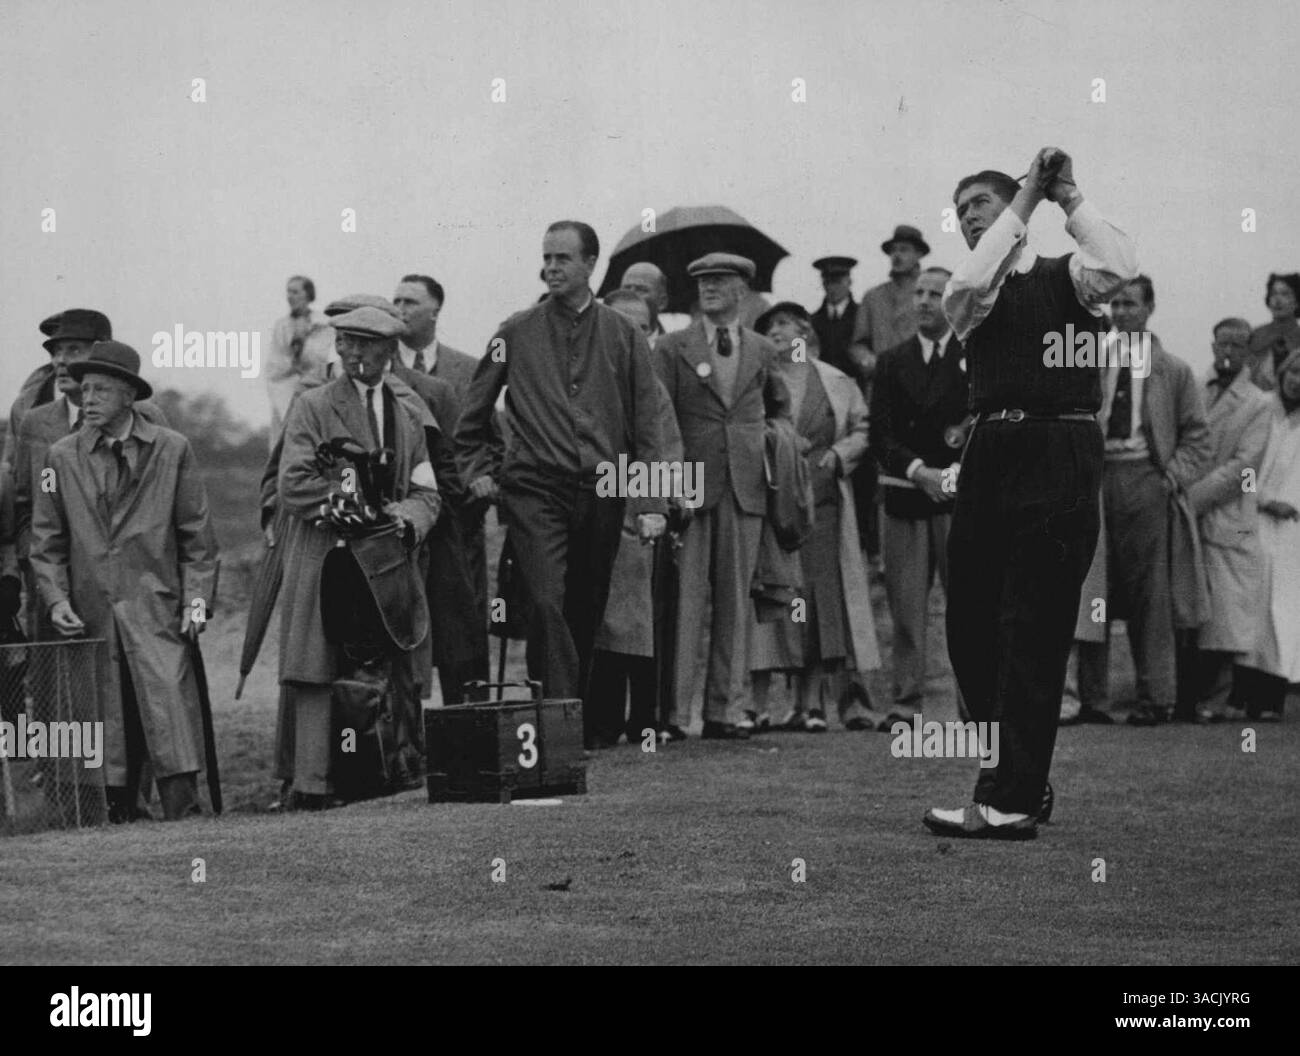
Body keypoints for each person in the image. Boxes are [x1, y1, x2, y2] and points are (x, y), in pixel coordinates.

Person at [925, 148, 1137, 840]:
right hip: (990, 450)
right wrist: (1022, 202)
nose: (968, 219)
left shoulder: (1069, 276)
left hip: (1061, 447)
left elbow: (1119, 263)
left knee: (1034, 626)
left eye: (978, 205)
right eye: (960, 212)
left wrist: (1065, 193)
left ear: (1014, 204)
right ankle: (1016, 779)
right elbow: (969, 280)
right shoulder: (972, 291)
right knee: (970, 628)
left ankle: (1010, 799)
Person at [455, 220, 667, 721]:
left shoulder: (624, 335)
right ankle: (558, 724)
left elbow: (647, 427)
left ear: (590, 264)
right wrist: (478, 471)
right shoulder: (514, 331)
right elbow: (471, 418)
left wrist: (652, 504)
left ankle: (570, 720)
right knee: (546, 601)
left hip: (605, 488)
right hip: (534, 488)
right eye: (546, 258)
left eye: (562, 258)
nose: (550, 267)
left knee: (585, 607)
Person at [30, 341, 220, 822]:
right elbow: (46, 540)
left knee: (168, 707)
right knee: (102, 716)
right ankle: (116, 814)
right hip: (90, 614)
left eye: (101, 389)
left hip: (159, 610)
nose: (87, 398)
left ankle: (184, 815)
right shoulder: (57, 459)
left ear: (129, 396)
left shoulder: (173, 450)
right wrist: (55, 601)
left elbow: (198, 540)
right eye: (85, 389)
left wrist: (196, 606)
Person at [275, 306, 441, 808]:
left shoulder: (408, 415)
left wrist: (407, 518)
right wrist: (347, 503)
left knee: (387, 670)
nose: (352, 353)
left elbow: (427, 491)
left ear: (390, 350)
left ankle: (382, 773)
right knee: (318, 668)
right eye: (345, 342)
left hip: (386, 565)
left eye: (365, 343)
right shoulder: (312, 405)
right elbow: (292, 482)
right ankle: (313, 783)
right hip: (326, 557)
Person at [654, 253, 792, 741]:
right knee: (685, 605)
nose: (709, 288)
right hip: (691, 489)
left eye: (719, 280)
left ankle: (725, 712)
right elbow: (659, 418)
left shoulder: (762, 349)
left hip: (746, 488)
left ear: (741, 290)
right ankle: (673, 714)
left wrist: (768, 443)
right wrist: (671, 483)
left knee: (736, 604)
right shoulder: (672, 346)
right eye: (702, 281)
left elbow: (781, 410)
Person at [748, 302, 880, 732]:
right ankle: (757, 704)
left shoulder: (836, 381)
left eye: (784, 323)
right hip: (772, 505)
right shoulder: (757, 378)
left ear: (805, 331)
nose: (776, 331)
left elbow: (864, 427)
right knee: (771, 598)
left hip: (822, 506)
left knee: (816, 600)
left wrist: (839, 456)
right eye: (769, 326)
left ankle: (810, 704)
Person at [9, 319, 169, 639]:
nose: (61, 361)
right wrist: (44, 574)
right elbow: (32, 504)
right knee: (58, 667)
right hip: (57, 587)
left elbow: (188, 533)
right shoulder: (37, 427)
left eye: (74, 351)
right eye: (56, 352)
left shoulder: (158, 432)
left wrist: (196, 610)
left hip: (136, 591)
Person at [870, 266, 969, 724]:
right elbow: (881, 434)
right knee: (907, 611)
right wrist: (917, 471)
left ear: (953, 301)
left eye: (935, 294)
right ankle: (906, 705)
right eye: (919, 293)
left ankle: (974, 706)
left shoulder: (975, 357)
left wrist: (951, 475)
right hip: (906, 499)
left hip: (959, 502)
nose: (925, 301)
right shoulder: (892, 362)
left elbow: (984, 424)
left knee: (967, 608)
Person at [586, 289, 683, 746]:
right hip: (590, 505)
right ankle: (598, 718)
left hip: (637, 509)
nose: (632, 337)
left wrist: (657, 506)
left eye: (641, 329)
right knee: (598, 616)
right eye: (622, 326)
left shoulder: (653, 389)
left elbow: (667, 450)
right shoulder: (585, 379)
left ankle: (644, 717)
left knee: (637, 618)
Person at [392, 274, 494, 701]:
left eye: (410, 302)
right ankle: (405, 728)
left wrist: (484, 479)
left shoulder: (469, 370)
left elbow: (491, 439)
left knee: (462, 628)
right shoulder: (383, 369)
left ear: (435, 310)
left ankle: (467, 721)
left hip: (459, 520)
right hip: (403, 520)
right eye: (396, 300)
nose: (400, 309)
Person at [1180, 318, 1272, 720]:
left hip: (1225, 517)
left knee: (1224, 618)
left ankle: (1216, 699)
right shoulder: (1195, 388)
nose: (1229, 351)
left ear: (1249, 351)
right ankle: (1184, 697)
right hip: (1187, 512)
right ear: (1213, 345)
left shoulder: (1259, 403)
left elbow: (1244, 467)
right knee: (1189, 612)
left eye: (1237, 345)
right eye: (1223, 344)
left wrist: (1190, 499)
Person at [1235, 347, 1300, 719]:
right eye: (1294, 371)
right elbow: (1244, 465)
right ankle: (1239, 694)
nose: (1297, 381)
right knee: (1252, 605)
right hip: (1254, 518)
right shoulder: (1262, 410)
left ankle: (1270, 697)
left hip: (1292, 529)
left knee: (1283, 611)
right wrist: (1262, 499)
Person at [266, 275, 335, 447]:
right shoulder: (282, 326)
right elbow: (274, 365)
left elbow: (324, 357)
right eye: (288, 292)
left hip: (316, 390)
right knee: (284, 441)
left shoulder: (324, 324)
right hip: (287, 393)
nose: (290, 296)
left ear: (308, 295)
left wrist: (306, 342)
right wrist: (293, 361)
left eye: (295, 292)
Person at [1246, 272, 1300, 392]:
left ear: (1297, 302)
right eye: (1273, 294)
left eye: (1285, 294)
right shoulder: (1255, 336)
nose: (1277, 300)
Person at [809, 256, 859, 378]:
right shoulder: (811, 321)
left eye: (837, 281)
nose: (832, 288)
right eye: (828, 282)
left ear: (849, 281)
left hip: (856, 384)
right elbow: (799, 358)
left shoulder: (863, 316)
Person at [620, 262, 690, 342]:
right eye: (626, 288)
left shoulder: (674, 347)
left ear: (662, 302)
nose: (630, 295)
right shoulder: (608, 340)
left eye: (641, 290)